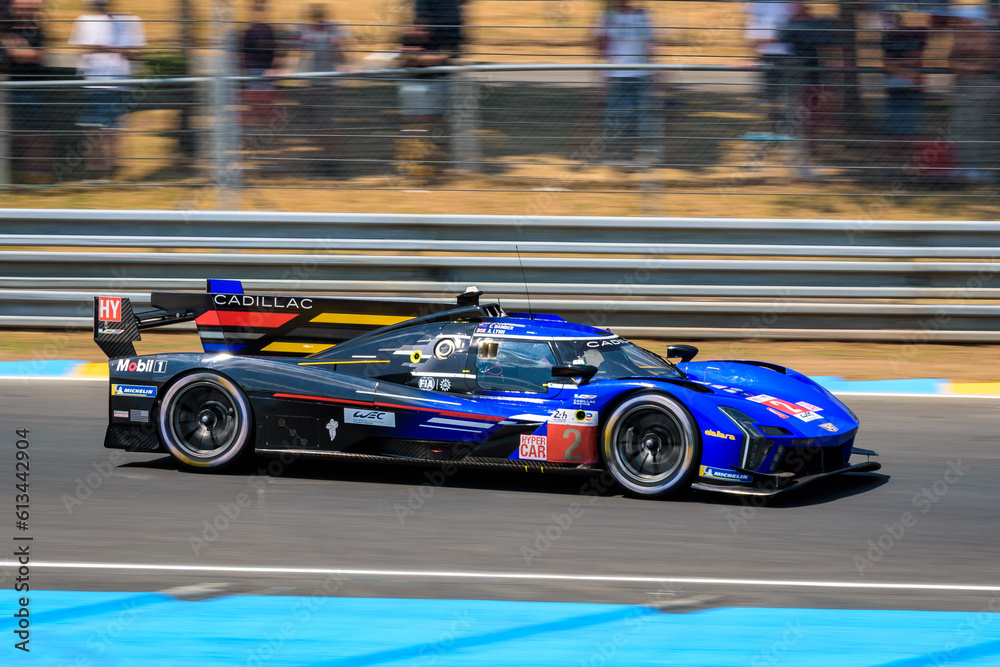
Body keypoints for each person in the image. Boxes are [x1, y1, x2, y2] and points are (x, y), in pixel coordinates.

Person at [68, 0, 145, 181]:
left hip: (115, 83)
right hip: (91, 83)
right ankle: (96, 171)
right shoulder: (85, 20)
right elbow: (83, 49)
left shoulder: (129, 22)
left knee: (108, 129)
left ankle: (106, 171)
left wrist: (109, 48)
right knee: (93, 127)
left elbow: (137, 53)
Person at [396, 5, 462, 180]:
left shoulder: (441, 35)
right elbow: (407, 59)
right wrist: (435, 58)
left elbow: (447, 56)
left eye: (426, 27)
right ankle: (409, 168)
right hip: (414, 87)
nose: (423, 30)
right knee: (414, 128)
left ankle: (436, 168)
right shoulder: (407, 37)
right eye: (419, 26)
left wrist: (426, 59)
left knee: (437, 128)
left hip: (437, 85)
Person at [594, 0, 657, 165]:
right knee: (619, 116)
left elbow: (651, 44)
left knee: (641, 116)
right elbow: (598, 45)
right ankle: (618, 153)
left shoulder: (642, 15)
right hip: (617, 75)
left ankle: (637, 155)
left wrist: (656, 70)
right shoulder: (607, 16)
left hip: (641, 74)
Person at [296, 3, 352, 175]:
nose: (318, 22)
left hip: (327, 86)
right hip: (312, 85)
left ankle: (332, 160)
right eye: (315, 18)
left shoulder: (334, 31)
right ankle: (323, 158)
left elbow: (345, 59)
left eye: (320, 18)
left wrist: (338, 46)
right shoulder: (306, 32)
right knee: (317, 126)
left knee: (327, 125)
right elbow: (299, 53)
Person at [2, 0, 51, 182]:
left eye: (27, 8)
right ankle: (18, 174)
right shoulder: (11, 31)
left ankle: (39, 175)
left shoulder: (36, 30)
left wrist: (8, 43)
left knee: (35, 134)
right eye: (19, 8)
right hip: (11, 90)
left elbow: (32, 55)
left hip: (32, 90)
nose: (22, 11)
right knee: (14, 132)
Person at [948, 4, 998, 181]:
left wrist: (975, 68)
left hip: (985, 87)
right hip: (968, 88)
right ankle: (969, 168)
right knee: (967, 128)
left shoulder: (988, 37)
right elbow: (952, 61)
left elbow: (989, 63)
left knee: (987, 130)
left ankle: (982, 168)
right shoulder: (962, 38)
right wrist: (972, 68)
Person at [745, 0, 795, 135]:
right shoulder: (755, 4)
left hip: (787, 55)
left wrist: (763, 40)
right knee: (769, 96)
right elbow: (752, 26)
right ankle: (773, 129)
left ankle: (786, 130)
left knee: (787, 96)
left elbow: (791, 29)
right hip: (766, 55)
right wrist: (753, 53)